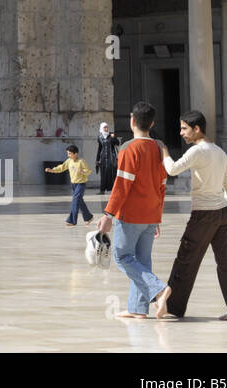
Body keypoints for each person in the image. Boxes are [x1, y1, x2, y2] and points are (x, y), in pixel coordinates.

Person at [154, 110, 227, 321]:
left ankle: (171, 306)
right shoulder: (219, 151)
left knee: (186, 260)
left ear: (197, 129)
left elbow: (172, 169)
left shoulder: (198, 151)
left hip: (203, 215)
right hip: (222, 213)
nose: (181, 133)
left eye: (184, 129)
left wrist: (164, 151)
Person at [94, 101, 169, 319]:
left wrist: (108, 214)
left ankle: (159, 289)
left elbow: (122, 185)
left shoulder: (128, 148)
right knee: (142, 260)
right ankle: (137, 308)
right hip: (150, 214)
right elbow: (162, 185)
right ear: (152, 123)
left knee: (122, 256)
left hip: (131, 215)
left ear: (132, 120)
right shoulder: (158, 148)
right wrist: (157, 217)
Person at [46, 144, 94, 227]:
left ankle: (72, 220)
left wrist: (83, 171)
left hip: (81, 184)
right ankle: (88, 217)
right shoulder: (69, 161)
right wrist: (52, 170)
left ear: (76, 154)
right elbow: (62, 167)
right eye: (68, 153)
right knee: (79, 201)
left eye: (70, 154)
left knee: (75, 202)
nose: (68, 155)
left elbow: (89, 171)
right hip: (74, 185)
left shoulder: (81, 161)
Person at [96, 121, 121, 194]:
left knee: (112, 173)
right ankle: (102, 190)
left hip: (111, 157)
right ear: (101, 128)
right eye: (104, 127)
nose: (106, 128)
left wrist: (114, 138)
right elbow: (99, 149)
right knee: (103, 173)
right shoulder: (99, 137)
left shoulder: (111, 136)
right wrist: (97, 159)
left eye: (107, 127)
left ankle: (113, 189)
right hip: (103, 157)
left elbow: (117, 143)